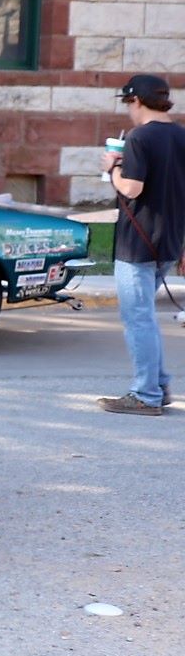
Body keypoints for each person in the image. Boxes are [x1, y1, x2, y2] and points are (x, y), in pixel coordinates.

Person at [99, 73, 185, 416]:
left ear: (137, 101)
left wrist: (113, 170)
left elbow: (132, 188)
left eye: (128, 102)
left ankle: (146, 394)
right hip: (169, 240)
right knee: (145, 317)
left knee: (138, 319)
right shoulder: (180, 135)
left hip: (138, 243)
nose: (128, 110)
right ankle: (159, 385)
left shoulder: (138, 138)